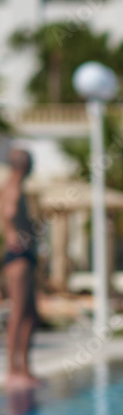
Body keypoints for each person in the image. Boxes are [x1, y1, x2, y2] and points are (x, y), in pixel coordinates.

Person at [1, 150, 41, 390]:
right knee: (19, 313)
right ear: (24, 165)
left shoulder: (11, 185)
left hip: (22, 257)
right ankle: (13, 370)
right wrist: (14, 232)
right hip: (18, 257)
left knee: (29, 315)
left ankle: (24, 368)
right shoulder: (13, 186)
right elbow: (9, 212)